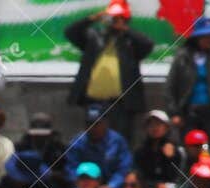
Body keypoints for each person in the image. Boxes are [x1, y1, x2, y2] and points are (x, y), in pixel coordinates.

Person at [64, 2, 154, 140]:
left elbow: (147, 45)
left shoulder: (131, 42)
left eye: (119, 19)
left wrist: (125, 29)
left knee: (121, 139)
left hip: (121, 105)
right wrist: (92, 19)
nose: (114, 22)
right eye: (113, 18)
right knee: (93, 139)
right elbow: (70, 32)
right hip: (94, 102)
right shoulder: (94, 37)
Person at [167, 16, 210, 150]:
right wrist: (174, 113)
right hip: (188, 112)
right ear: (197, 38)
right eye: (205, 36)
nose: (209, 39)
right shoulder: (182, 57)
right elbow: (171, 85)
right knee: (189, 148)